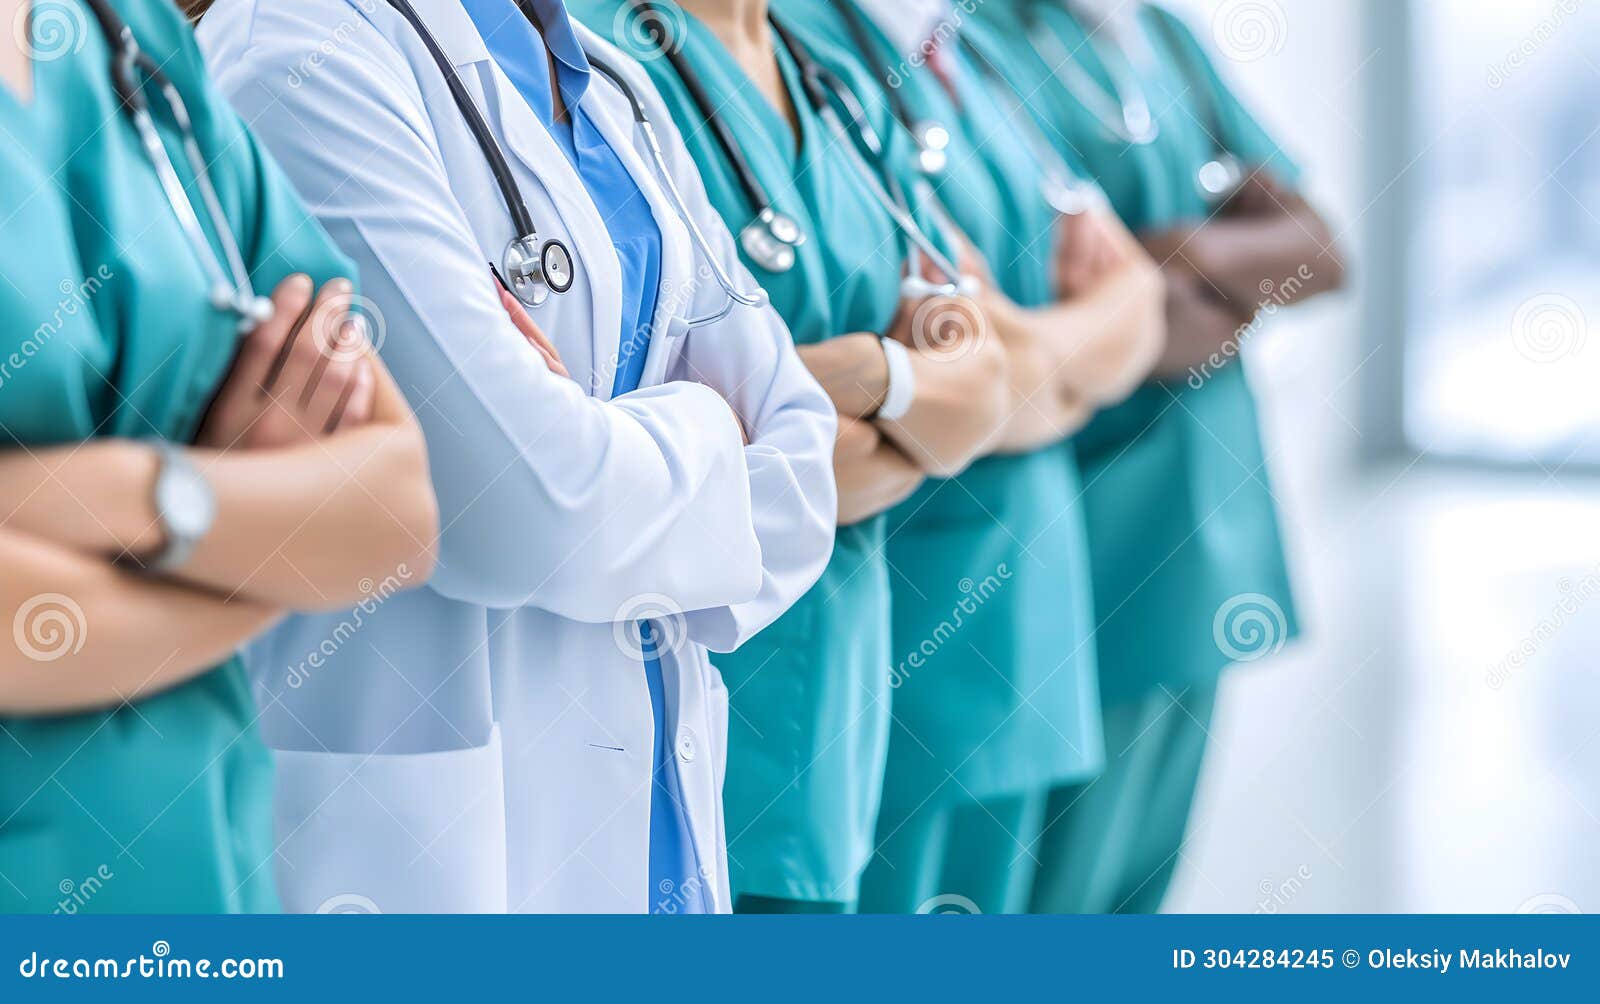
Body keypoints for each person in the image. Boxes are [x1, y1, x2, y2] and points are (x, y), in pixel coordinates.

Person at [194, 0, 837, 913]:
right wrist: (706, 426)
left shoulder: (612, 82)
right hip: (437, 850)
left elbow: (806, 469)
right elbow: (517, 512)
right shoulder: (296, 54)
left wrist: (578, 440)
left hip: (656, 818)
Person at [573, 0, 1017, 913]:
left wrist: (861, 374)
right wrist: (906, 405)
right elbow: (646, 446)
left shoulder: (831, 74)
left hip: (838, 714)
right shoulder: (601, 67)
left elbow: (983, 385)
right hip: (711, 707)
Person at [0, 0, 437, 913]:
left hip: (208, 885)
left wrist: (136, 494)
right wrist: (263, 555)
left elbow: (397, 511)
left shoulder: (130, 35)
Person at [771, 0, 1168, 913]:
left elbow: (1132, 310)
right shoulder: (815, 50)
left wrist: (1021, 363)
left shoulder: (963, 49)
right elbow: (991, 369)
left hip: (1025, 627)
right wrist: (1063, 354)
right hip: (913, 643)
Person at [972, 0, 1346, 912]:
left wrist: (1178, 251)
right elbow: (1118, 323)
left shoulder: (1161, 34)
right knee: (1063, 892)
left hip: (1205, 536)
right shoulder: (980, 41)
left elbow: (1320, 251)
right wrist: (1227, 280)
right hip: (1091, 530)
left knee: (1145, 884)